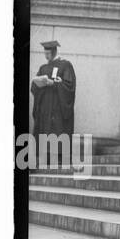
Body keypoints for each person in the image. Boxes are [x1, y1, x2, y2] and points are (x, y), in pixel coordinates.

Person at [30, 40, 76, 170]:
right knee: (44, 130)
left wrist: (55, 84)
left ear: (54, 51)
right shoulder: (43, 68)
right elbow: (34, 87)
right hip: (44, 106)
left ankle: (59, 159)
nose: (46, 56)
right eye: (45, 53)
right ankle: (43, 158)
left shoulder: (65, 65)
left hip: (58, 107)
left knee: (57, 130)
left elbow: (69, 85)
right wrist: (38, 82)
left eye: (48, 53)